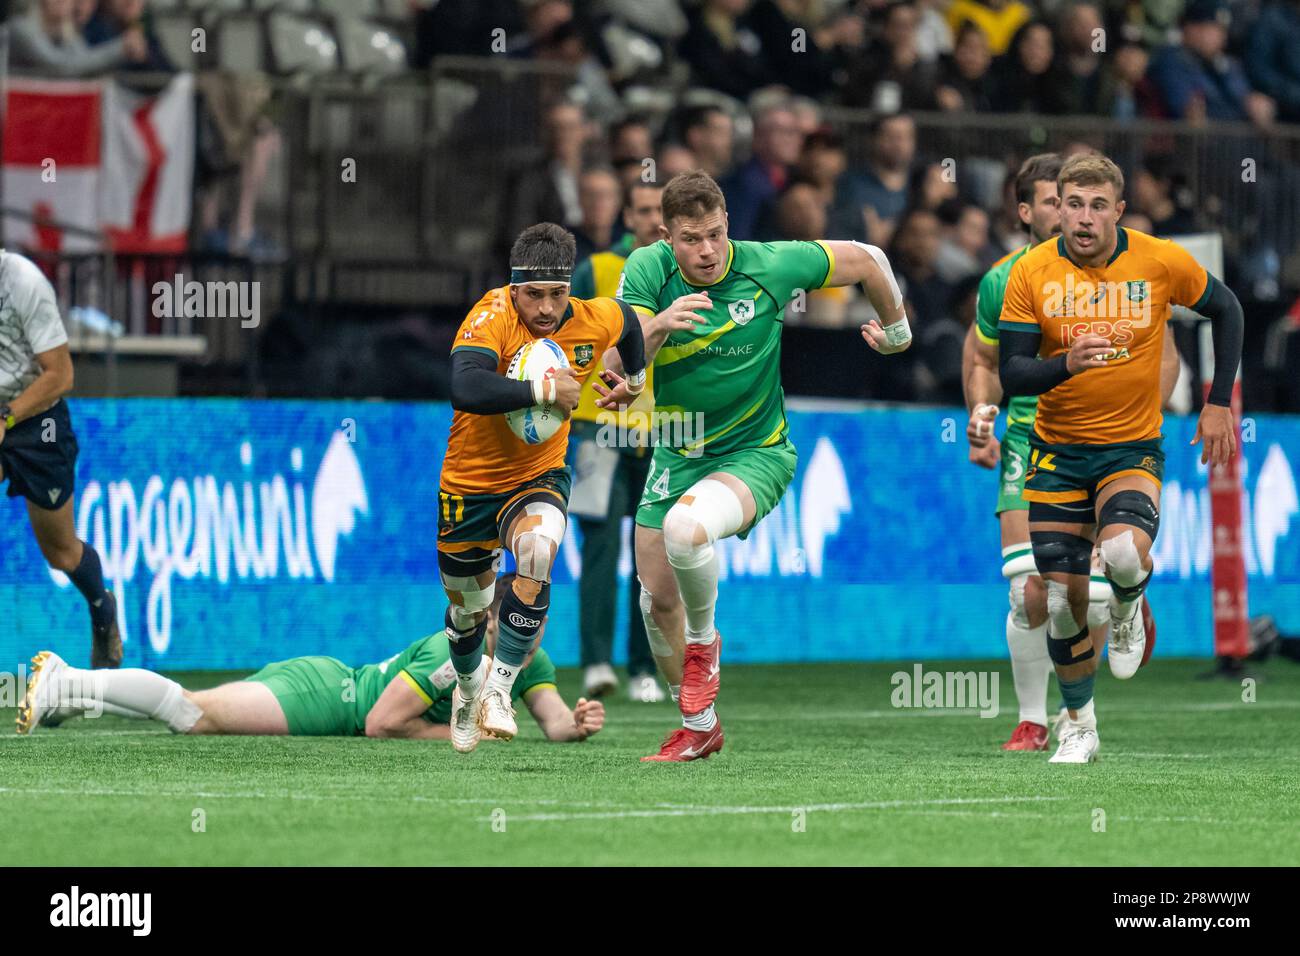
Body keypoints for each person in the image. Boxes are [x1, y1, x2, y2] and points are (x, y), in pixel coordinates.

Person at [593, 169, 913, 761]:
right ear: (668, 237)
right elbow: (617, 357)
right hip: (679, 449)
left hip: (757, 452)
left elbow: (869, 257)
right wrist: (654, 333)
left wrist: (896, 331)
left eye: (715, 234)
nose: (707, 250)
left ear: (728, 226)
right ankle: (698, 723)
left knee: (687, 532)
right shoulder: (645, 269)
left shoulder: (770, 264)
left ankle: (702, 648)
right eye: (691, 239)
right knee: (653, 597)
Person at [997, 153, 1243, 763]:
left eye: (1097, 205)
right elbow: (1013, 373)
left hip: (1130, 448)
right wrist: (1065, 364)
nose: (1082, 218)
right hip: (1056, 454)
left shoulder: (1159, 260)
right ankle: (1079, 724)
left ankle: (1131, 605)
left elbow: (1228, 309)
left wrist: (1218, 404)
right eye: (1072, 204)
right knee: (1060, 601)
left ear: (1119, 211)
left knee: (1124, 554)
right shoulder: (1029, 272)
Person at [962, 154, 1177, 751]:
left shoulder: (1130, 270)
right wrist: (979, 414)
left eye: (1080, 202)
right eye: (1057, 202)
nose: (1070, 214)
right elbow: (983, 362)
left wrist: (1140, 423)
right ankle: (1039, 719)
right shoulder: (1006, 278)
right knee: (1030, 589)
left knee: (1093, 587)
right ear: (1027, 210)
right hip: (1029, 437)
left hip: (1111, 441)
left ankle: (1096, 669)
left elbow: (1164, 352)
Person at [437, 222, 646, 753]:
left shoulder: (590, 317)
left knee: (537, 549)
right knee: (468, 610)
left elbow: (628, 322)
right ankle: (468, 689)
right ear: (514, 287)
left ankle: (499, 692)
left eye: (557, 293)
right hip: (470, 485)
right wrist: (543, 388)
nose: (547, 307)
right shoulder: (492, 315)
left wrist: (636, 381)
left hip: (538, 476)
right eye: (534, 295)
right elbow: (465, 385)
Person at [18, 573, 605, 743]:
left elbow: (550, 722)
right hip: (330, 699)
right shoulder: (452, 651)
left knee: (196, 713)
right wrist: (466, 731)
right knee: (191, 714)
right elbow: (381, 725)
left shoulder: (530, 660)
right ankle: (65, 682)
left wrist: (573, 726)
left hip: (328, 687)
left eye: (538, 624)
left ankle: (65, 705)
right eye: (519, 625)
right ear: (489, 620)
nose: (529, 637)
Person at [568, 181, 667, 703]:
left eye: (660, 210)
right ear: (628, 214)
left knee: (650, 552)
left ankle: (643, 666)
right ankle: (596, 664)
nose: (653, 218)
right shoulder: (597, 269)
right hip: (594, 425)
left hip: (661, 429)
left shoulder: (684, 271)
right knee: (600, 548)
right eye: (644, 209)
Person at [0, 250, 121, 668]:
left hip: (38, 422)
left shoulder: (24, 283)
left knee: (62, 552)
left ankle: (102, 609)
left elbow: (61, 375)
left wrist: (8, 415)